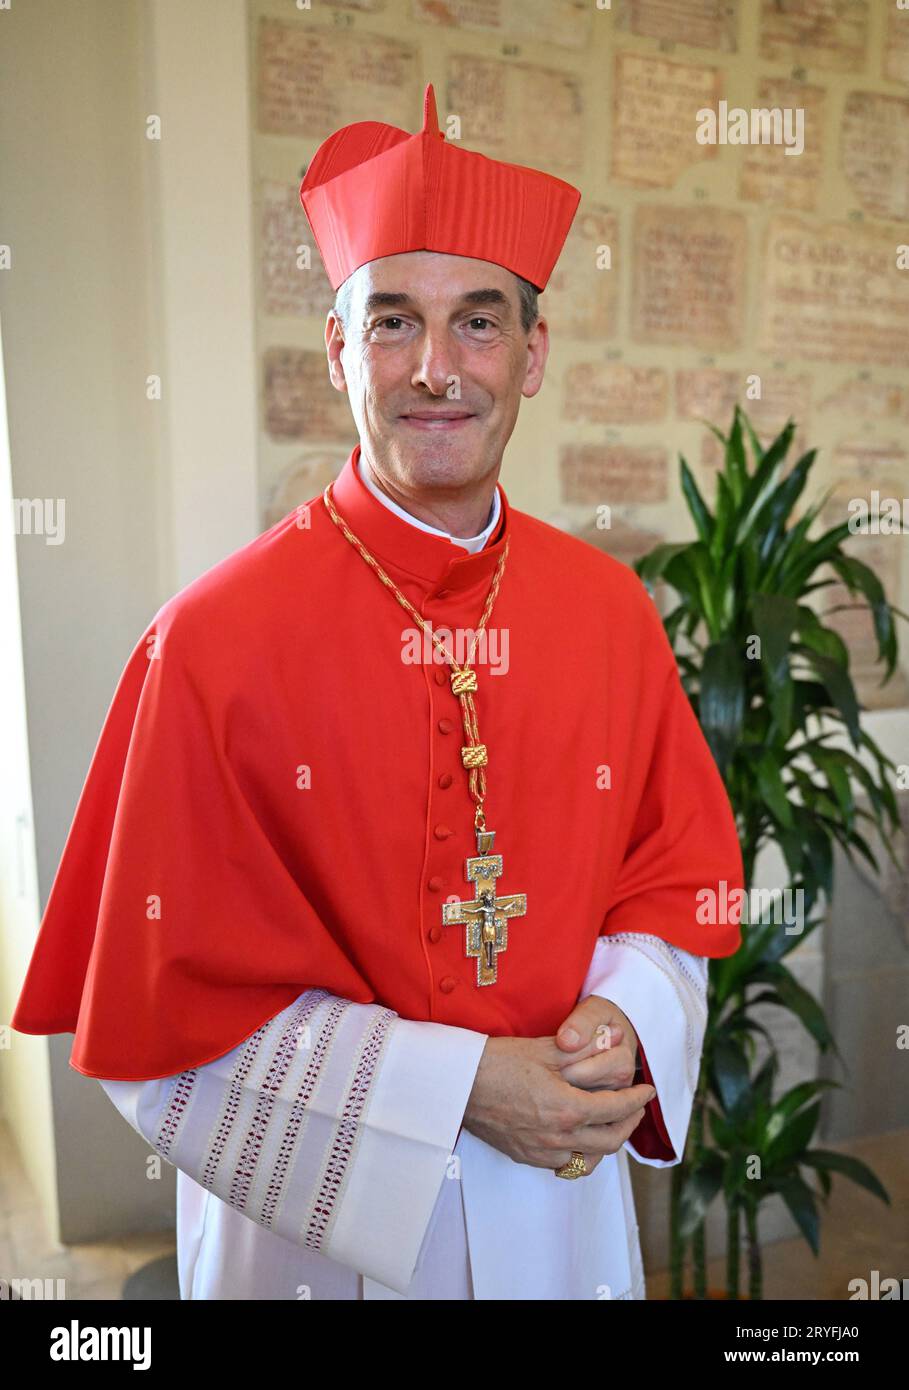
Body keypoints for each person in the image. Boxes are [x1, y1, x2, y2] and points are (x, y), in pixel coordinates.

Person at [11, 83, 743, 1300]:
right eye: (394, 322)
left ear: (534, 352)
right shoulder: (207, 641)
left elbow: (675, 889)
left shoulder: (610, 613)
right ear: (341, 351)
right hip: (310, 1250)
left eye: (480, 324)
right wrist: (458, 1089)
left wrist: (627, 1020)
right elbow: (154, 1036)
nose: (439, 370)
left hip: (561, 1212)